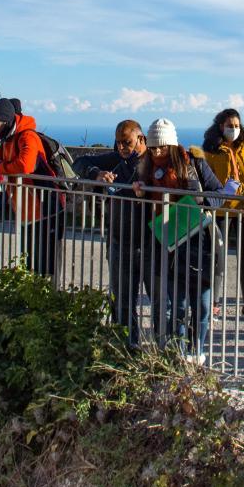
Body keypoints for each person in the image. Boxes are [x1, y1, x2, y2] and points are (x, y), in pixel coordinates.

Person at [133, 118, 221, 361]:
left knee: (202, 304)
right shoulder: (144, 167)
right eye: (153, 148)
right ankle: (178, 354)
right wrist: (139, 191)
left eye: (161, 147)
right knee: (178, 304)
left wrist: (201, 202)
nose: (157, 152)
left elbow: (219, 192)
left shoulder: (194, 162)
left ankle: (198, 352)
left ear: (171, 145)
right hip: (166, 241)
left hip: (197, 239)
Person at [75, 120, 150, 342]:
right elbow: (80, 162)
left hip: (149, 242)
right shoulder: (117, 158)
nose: (121, 148)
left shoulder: (154, 161)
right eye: (117, 143)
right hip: (119, 239)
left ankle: (163, 353)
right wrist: (96, 173)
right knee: (121, 301)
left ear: (141, 139)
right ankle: (128, 347)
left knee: (160, 302)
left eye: (126, 142)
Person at [0, 97, 62, 279]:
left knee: (44, 262)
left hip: (44, 205)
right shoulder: (5, 139)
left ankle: (46, 300)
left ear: (7, 121)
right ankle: (32, 298)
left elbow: (25, 166)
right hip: (26, 208)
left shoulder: (27, 137)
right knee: (29, 259)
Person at [201, 108, 244, 320]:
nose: (234, 129)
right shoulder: (211, 152)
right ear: (221, 126)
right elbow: (205, 181)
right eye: (230, 125)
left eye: (237, 125)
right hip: (221, 210)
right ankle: (214, 303)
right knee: (217, 258)